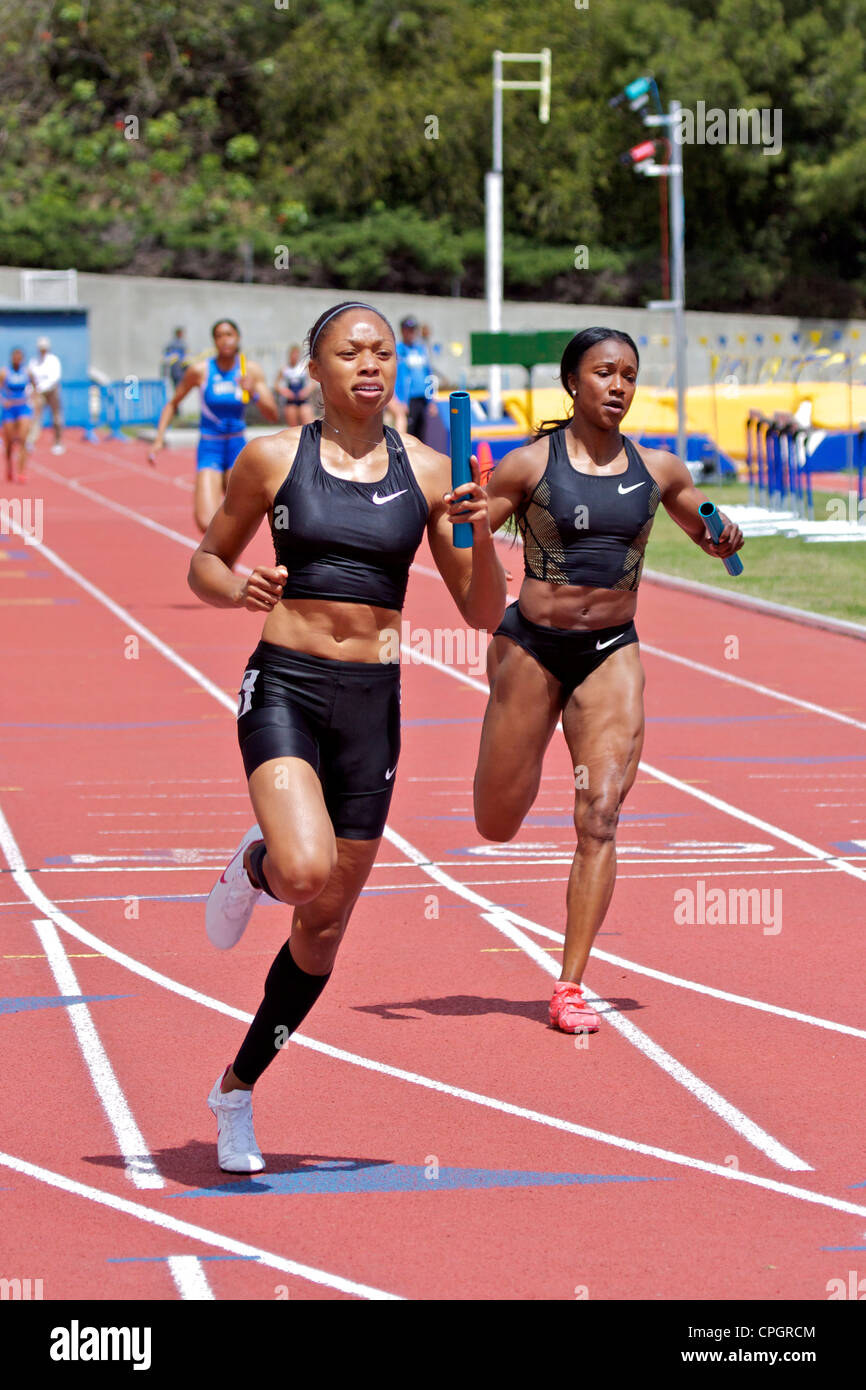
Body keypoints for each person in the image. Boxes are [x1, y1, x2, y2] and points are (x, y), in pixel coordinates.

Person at [188, 300, 505, 1172]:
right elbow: (205, 562)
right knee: (302, 871)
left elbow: (484, 612)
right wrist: (239, 587)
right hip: (286, 684)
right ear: (315, 368)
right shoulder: (269, 457)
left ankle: (237, 1090)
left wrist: (479, 532)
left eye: (383, 352)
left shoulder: (434, 472)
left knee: (323, 927)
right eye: (350, 351)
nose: (371, 364)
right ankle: (258, 864)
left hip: (375, 702)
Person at [475, 327, 744, 1035]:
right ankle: (524, 747)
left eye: (628, 373)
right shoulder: (528, 465)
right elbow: (464, 538)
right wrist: (463, 521)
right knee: (495, 823)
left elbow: (705, 523)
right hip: (531, 647)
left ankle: (569, 985)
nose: (618, 385)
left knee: (599, 817)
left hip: (610, 650)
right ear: (573, 383)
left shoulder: (658, 470)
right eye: (603, 372)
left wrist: (723, 535)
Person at [148, 319, 279, 534]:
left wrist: (253, 391)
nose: (225, 340)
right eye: (219, 336)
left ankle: (225, 563)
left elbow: (272, 414)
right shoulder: (201, 370)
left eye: (229, 335)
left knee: (241, 520)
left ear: (237, 338)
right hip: (210, 447)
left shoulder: (250, 370)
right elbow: (173, 403)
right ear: (214, 341)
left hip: (238, 447)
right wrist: (159, 439)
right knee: (205, 522)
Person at [394, 315, 434, 442]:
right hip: (407, 400)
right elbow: (395, 377)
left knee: (421, 435)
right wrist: (399, 400)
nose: (411, 333)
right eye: (408, 329)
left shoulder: (420, 350)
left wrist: (431, 399)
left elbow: (428, 373)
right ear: (402, 330)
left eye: (413, 329)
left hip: (421, 398)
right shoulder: (398, 350)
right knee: (408, 435)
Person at [1, 348, 36, 482]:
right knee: (9, 442)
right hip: (10, 409)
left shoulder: (26, 372)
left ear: (22, 358)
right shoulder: (5, 372)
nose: (17, 359)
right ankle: (9, 466)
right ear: (11, 358)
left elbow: (35, 387)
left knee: (22, 439)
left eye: (19, 357)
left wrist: (33, 399)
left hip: (23, 408)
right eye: (15, 357)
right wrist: (4, 401)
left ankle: (21, 471)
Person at [26, 336, 64, 456]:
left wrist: (40, 388)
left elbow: (54, 378)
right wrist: (31, 391)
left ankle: (58, 442)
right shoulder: (34, 361)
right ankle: (31, 441)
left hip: (52, 392)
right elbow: (30, 377)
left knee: (56, 417)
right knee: (35, 416)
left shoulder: (53, 360)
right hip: (38, 392)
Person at [274, 345, 314, 426]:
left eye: (296, 354)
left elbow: (313, 382)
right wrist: (285, 392)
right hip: (291, 400)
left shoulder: (303, 367)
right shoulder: (285, 369)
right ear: (289, 355)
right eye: (293, 354)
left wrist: (306, 391)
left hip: (303, 400)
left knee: (308, 424)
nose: (294, 357)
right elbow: (276, 384)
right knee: (293, 427)